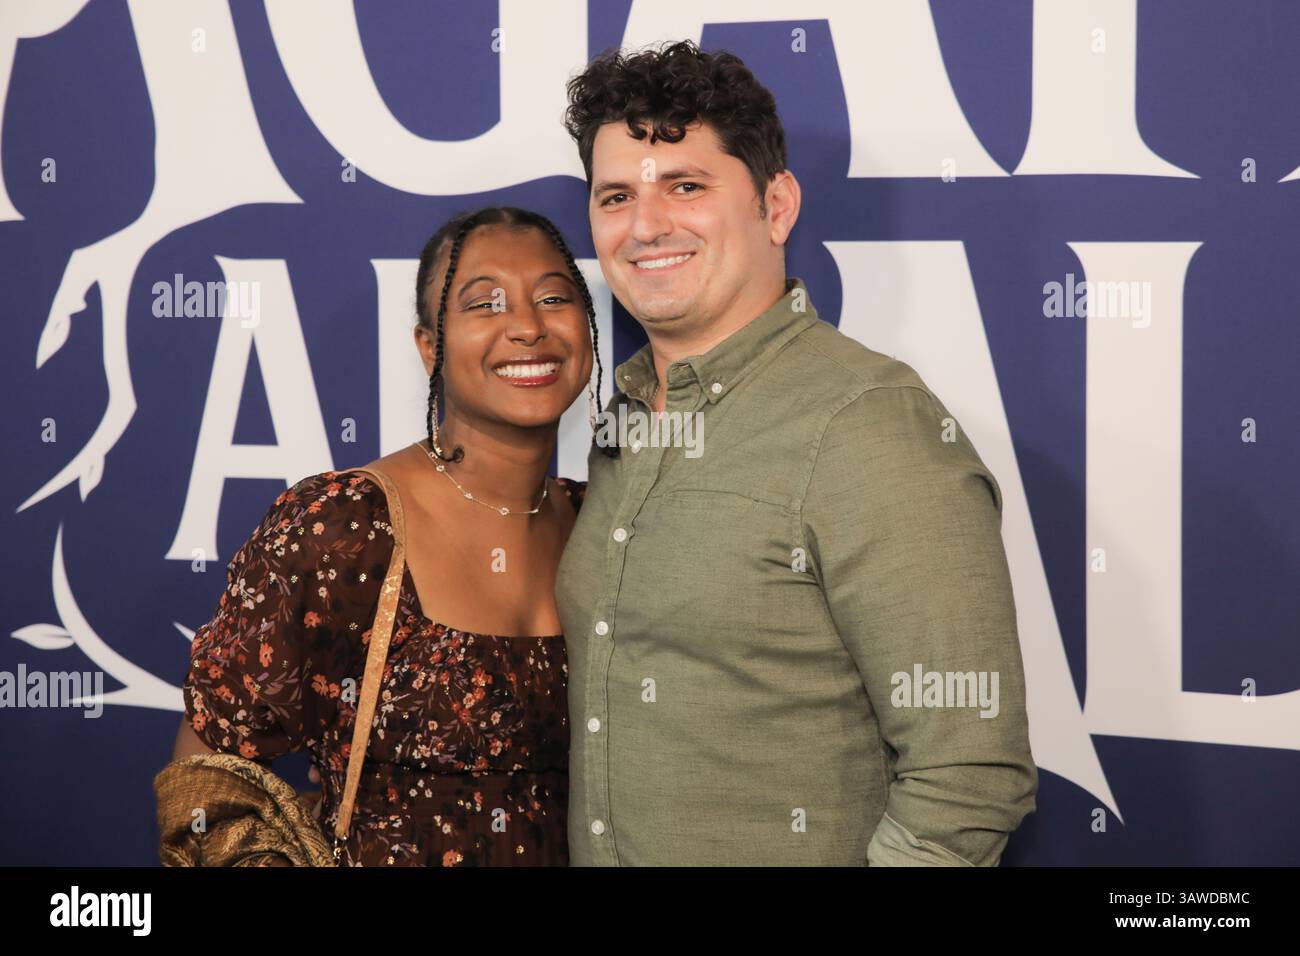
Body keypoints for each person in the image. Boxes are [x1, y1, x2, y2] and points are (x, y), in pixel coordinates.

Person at [555, 40, 1038, 865]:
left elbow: (969, 774)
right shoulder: (621, 419)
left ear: (776, 207)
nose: (645, 226)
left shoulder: (870, 425)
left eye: (686, 186)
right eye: (614, 197)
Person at [168, 206, 604, 866]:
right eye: (485, 303)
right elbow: (208, 784)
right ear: (430, 346)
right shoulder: (342, 528)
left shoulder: (607, 524)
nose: (528, 326)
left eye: (553, 297)